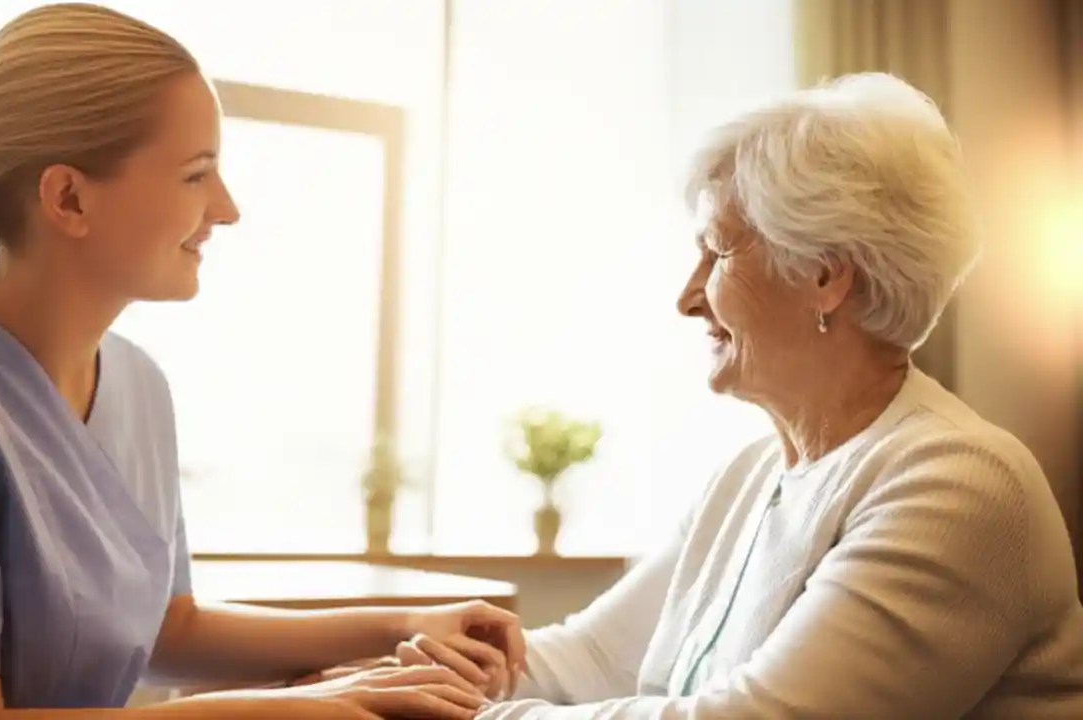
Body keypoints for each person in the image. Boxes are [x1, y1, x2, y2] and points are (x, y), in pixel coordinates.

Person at [0, 4, 524, 719]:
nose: (228, 208)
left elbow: (169, 629)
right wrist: (296, 709)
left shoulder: (138, 384)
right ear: (68, 197)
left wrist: (401, 624)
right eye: (195, 175)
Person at [402, 73, 1083, 718]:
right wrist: (417, 680)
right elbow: (594, 657)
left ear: (825, 276)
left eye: (718, 253)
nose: (687, 297)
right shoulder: (749, 477)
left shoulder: (958, 485)